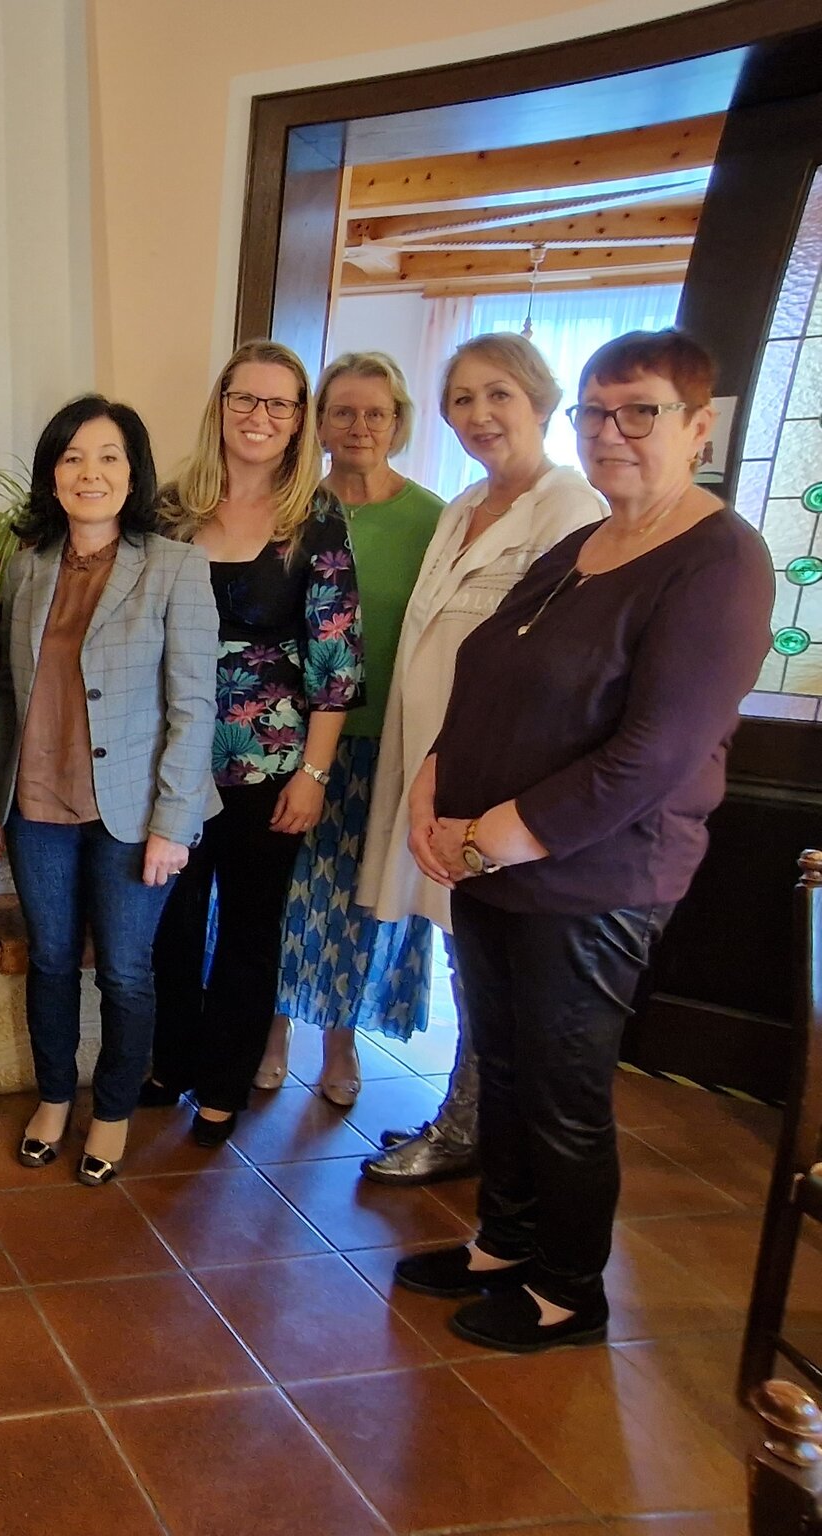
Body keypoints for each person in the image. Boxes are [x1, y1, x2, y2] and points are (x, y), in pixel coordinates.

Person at [391, 329, 771, 1352]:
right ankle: (502, 1243)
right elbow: (486, 673)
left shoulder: (718, 560)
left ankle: (567, 1289)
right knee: (505, 1069)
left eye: (637, 412)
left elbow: (651, 753)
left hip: (592, 878)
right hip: (490, 862)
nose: (609, 434)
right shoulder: (582, 542)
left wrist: (492, 837)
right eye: (594, 414)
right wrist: (434, 784)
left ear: (695, 425)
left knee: (561, 1090)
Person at [357, 334, 605, 1186]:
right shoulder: (464, 507)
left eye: (497, 394)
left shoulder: (569, 508)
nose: (479, 415)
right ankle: (468, 1120)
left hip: (496, 780)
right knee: (471, 959)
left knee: (492, 968)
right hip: (434, 765)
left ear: (540, 400)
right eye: (462, 399)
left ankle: (474, 1131)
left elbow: (547, 667)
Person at [0, 396, 218, 1183]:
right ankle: (53, 1098)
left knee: (124, 970)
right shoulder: (29, 563)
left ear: (133, 471)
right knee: (49, 960)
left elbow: (194, 704)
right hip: (37, 804)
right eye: (75, 456)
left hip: (134, 814)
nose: (91, 472)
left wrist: (173, 824)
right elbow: (7, 693)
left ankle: (111, 1112)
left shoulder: (175, 566)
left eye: (110, 456)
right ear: (53, 472)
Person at [148, 340, 364, 1147]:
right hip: (172, 760)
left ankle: (223, 1086)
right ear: (221, 405)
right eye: (246, 399)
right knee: (167, 924)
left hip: (270, 768)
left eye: (279, 404)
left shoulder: (315, 517)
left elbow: (337, 660)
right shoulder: (170, 508)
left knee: (247, 926)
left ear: (298, 420)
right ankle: (169, 1063)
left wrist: (313, 772)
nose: (259, 417)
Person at [269, 353, 442, 1106]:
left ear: (398, 421)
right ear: (320, 423)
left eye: (376, 412)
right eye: (343, 411)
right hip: (295, 742)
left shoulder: (437, 520)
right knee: (285, 893)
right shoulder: (290, 508)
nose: (360, 426)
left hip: (388, 743)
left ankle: (342, 1043)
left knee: (358, 899)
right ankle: (271, 1031)